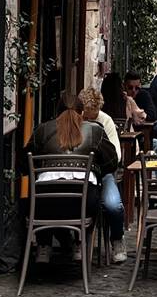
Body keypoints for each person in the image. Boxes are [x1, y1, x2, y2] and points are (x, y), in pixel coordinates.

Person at [24, 93, 118, 264]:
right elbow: (111, 163)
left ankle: (44, 244)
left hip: (44, 205)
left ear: (56, 113)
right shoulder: (94, 130)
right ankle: (79, 243)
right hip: (82, 205)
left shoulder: (42, 130)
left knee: (44, 188)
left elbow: (24, 166)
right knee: (86, 189)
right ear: (82, 113)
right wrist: (95, 169)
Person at [77, 88, 127, 263]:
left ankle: (117, 239)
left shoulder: (106, 121)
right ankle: (77, 241)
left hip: (103, 172)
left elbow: (117, 154)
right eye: (87, 117)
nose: (90, 120)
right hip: (80, 172)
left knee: (113, 205)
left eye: (93, 116)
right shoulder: (75, 120)